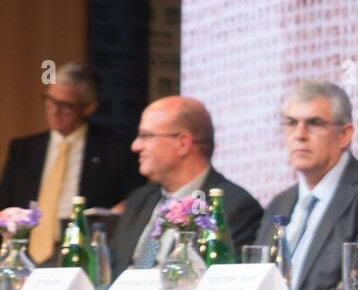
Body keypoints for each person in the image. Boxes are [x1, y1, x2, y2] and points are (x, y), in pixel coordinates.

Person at [255, 81, 358, 290]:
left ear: (344, 135)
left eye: (314, 123)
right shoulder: (278, 205)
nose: (299, 134)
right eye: (291, 123)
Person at [0, 63, 142, 264]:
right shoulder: (23, 149)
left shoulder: (115, 150)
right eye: (50, 101)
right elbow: (6, 203)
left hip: (83, 255)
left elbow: (132, 202)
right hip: (23, 255)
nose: (54, 111)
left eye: (65, 105)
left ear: (88, 107)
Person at [109, 96, 262, 278]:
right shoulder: (138, 201)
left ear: (183, 143)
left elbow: (222, 285)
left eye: (146, 136)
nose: (135, 146)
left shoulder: (233, 207)